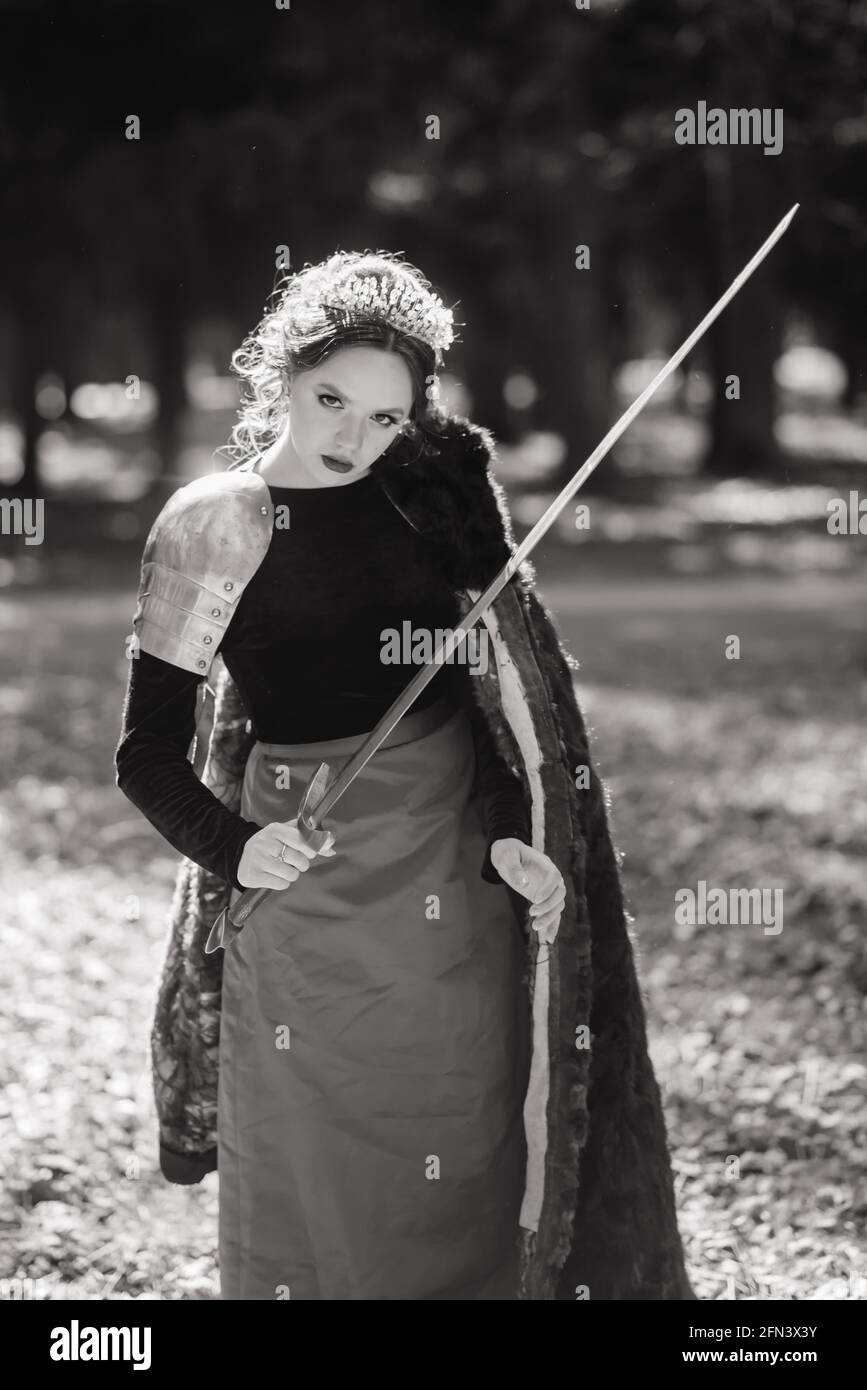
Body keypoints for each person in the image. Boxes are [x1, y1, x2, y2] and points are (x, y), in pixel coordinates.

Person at [115, 250, 695, 1301]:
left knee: (463, 1127)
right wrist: (237, 847)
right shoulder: (213, 525)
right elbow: (144, 756)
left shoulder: (431, 510)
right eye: (331, 399)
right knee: (311, 1147)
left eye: (383, 419)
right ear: (281, 371)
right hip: (297, 870)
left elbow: (501, 712)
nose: (350, 437)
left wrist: (518, 833)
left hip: (450, 864)